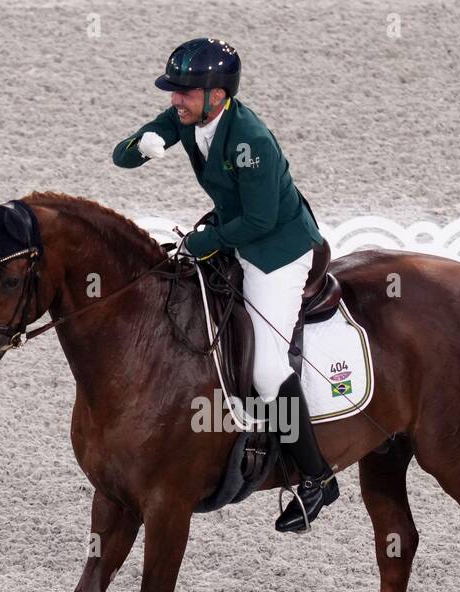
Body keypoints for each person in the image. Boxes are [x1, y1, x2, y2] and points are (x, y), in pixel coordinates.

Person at [111, 37, 339, 532]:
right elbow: (119, 157)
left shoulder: (249, 139)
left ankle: (317, 478)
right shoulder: (187, 117)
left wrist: (206, 242)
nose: (175, 99)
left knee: (266, 364)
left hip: (276, 249)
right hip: (233, 232)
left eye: (185, 92)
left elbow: (259, 221)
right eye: (174, 91)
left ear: (218, 94)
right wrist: (141, 148)